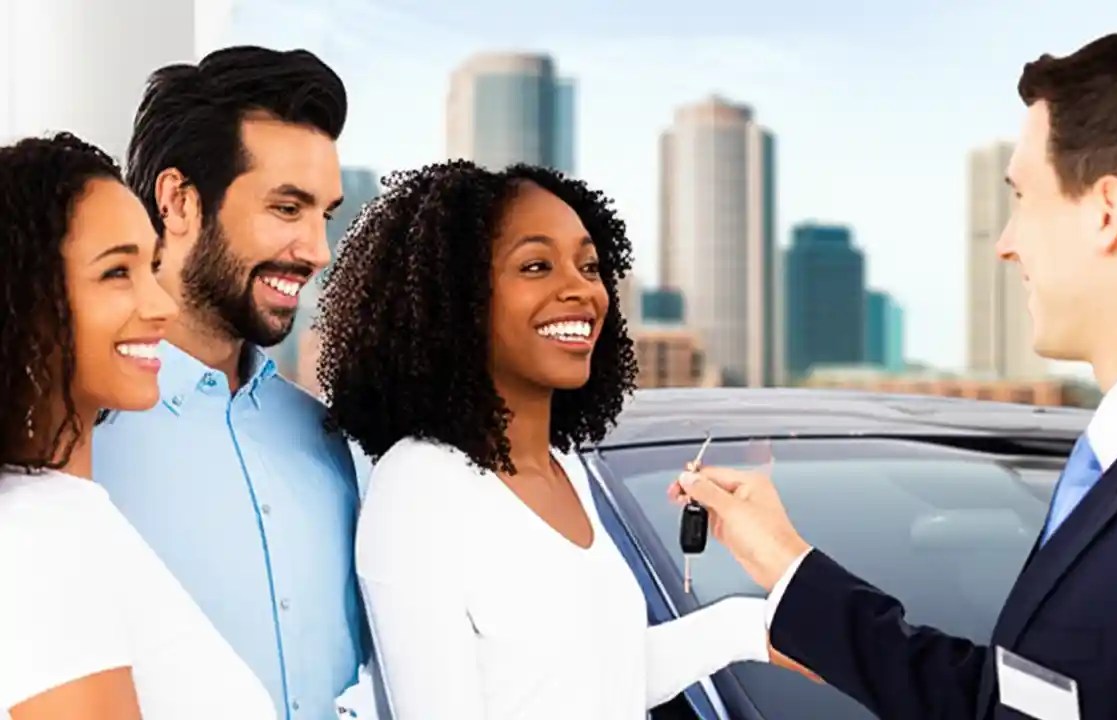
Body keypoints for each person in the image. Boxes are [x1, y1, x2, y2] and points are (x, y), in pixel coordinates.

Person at [673, 25, 1117, 720]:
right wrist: (787, 564)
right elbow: (1011, 707)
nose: (1006, 243)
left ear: (1107, 212)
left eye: (1022, 197)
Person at [316, 160, 772, 718]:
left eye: (589, 266)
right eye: (536, 266)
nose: (579, 289)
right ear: (456, 300)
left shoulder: (566, 468)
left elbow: (598, 676)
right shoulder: (421, 484)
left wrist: (748, 626)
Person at [92, 46, 367, 720]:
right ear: (179, 201)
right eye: (286, 208)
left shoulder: (327, 440)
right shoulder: (76, 445)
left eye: (323, 215)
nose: (316, 250)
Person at [0, 132, 276, 719]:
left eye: (151, 266)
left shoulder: (65, 516)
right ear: (23, 304)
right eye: (116, 273)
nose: (162, 305)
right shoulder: (41, 535)